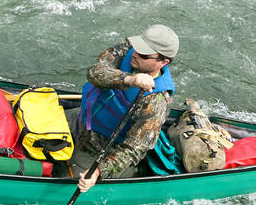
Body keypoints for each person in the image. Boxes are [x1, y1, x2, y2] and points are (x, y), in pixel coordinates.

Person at [74, 24, 178, 191]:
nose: (136, 54)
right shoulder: (128, 49)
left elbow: (132, 149)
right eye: (138, 47)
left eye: (144, 54)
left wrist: (98, 172)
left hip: (101, 152)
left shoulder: (157, 101)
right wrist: (129, 80)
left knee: (71, 181)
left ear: (163, 62)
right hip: (83, 121)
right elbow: (95, 72)